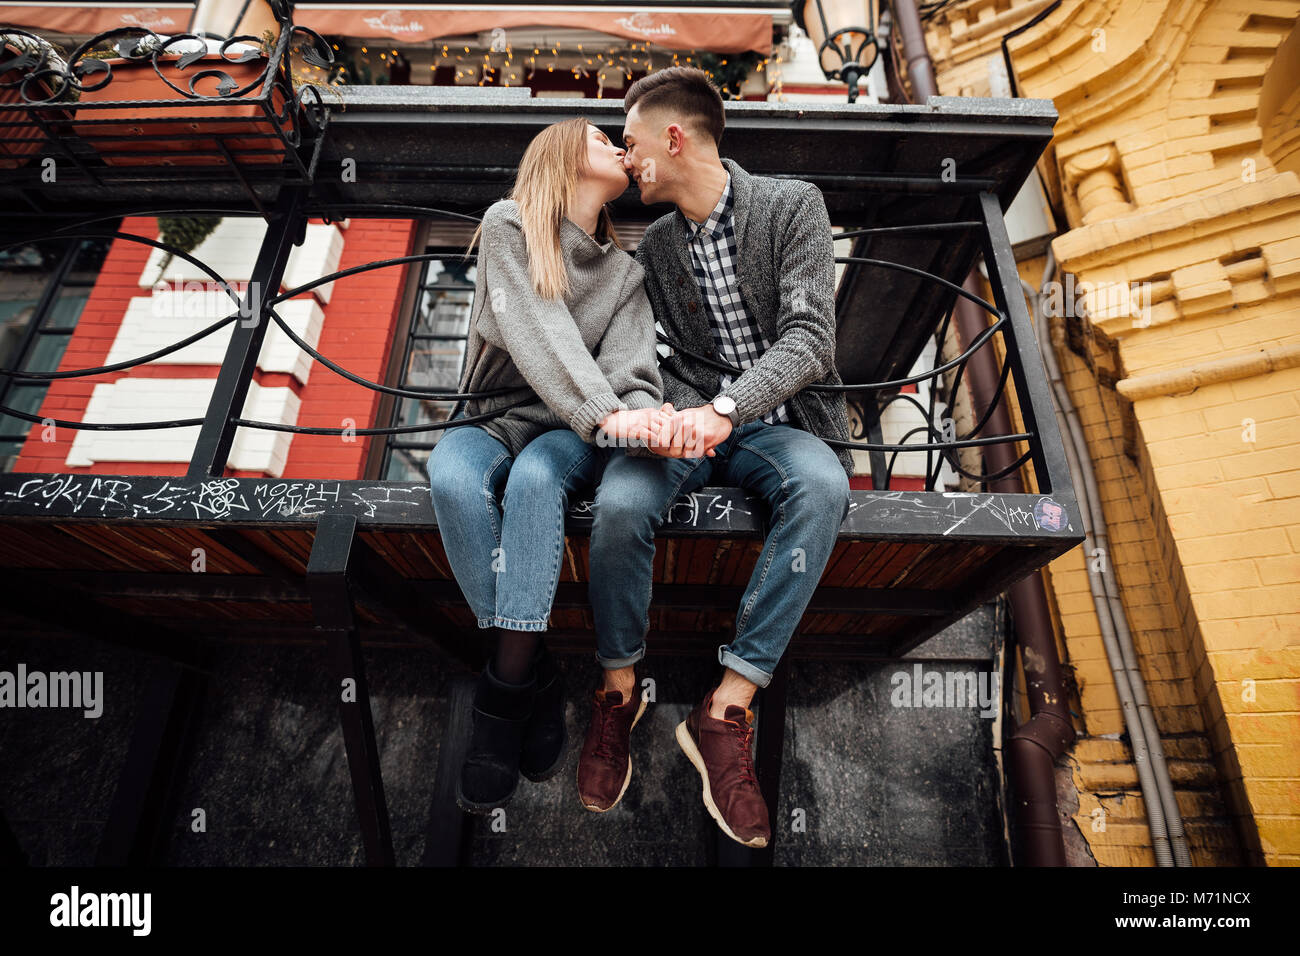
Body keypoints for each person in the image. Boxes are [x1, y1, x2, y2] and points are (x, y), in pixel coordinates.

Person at [577, 68, 854, 848]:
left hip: (776, 422)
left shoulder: (791, 205)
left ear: (674, 138)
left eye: (631, 144)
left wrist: (726, 412)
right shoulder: (656, 245)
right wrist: (658, 417)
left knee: (823, 488)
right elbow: (650, 356)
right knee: (622, 504)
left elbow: (810, 340)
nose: (627, 161)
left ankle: (726, 707)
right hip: (683, 423)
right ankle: (618, 690)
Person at [426, 117, 670, 814]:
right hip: (493, 418)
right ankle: (529, 668)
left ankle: (501, 701)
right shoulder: (511, 224)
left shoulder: (625, 273)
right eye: (601, 139)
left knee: (537, 481)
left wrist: (631, 413)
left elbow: (633, 374)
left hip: (569, 431)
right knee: (451, 478)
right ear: (563, 158)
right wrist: (606, 409)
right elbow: (539, 328)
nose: (619, 148)